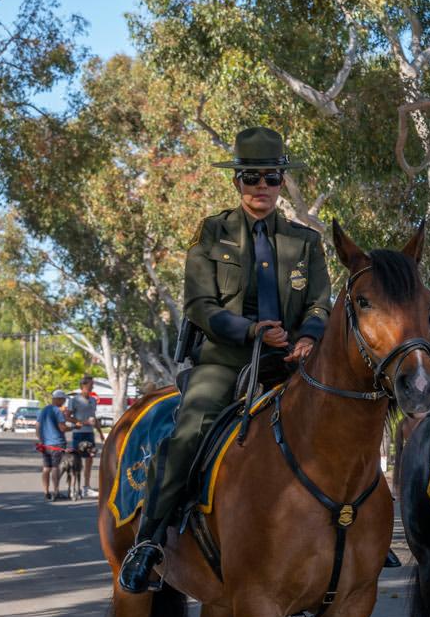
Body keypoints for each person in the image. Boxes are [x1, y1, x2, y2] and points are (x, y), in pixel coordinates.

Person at [119, 127, 333, 592]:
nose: (261, 187)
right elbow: (199, 305)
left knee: (343, 422)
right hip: (225, 360)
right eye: (251, 177)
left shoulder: (306, 241)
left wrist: (310, 338)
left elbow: (320, 303)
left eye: (271, 178)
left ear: (281, 182)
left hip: (291, 364)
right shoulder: (211, 233)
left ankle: (355, 530)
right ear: (237, 182)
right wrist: (252, 329)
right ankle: (149, 540)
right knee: (189, 432)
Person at [36, 390, 68, 500]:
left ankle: (46, 492)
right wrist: (74, 427)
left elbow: (37, 426)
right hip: (57, 443)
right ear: (58, 399)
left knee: (46, 468)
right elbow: (62, 427)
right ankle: (56, 491)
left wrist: (41, 439)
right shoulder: (57, 411)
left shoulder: (44, 410)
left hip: (45, 444)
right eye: (63, 400)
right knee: (55, 467)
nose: (64, 402)